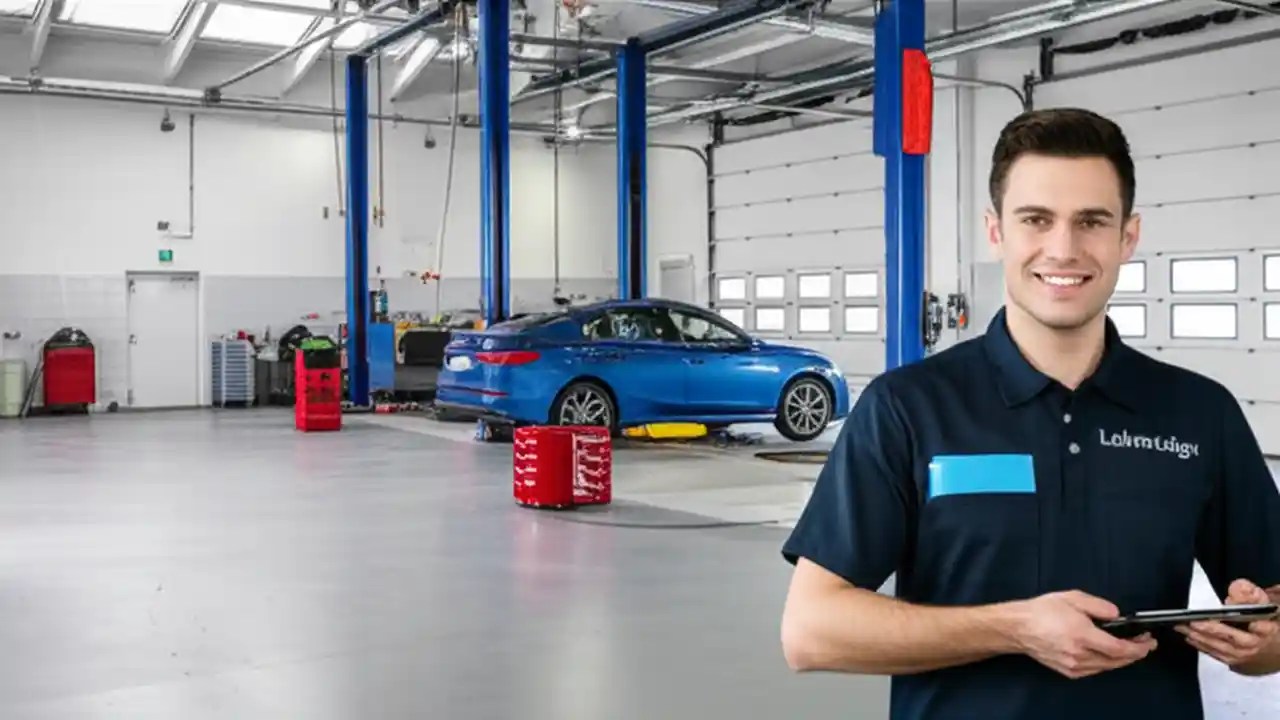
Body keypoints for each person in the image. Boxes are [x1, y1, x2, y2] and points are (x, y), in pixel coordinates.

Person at [778, 107, 1280, 720]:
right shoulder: (908, 407)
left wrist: (1262, 643)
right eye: (1036, 219)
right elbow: (811, 631)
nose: (1063, 249)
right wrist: (1014, 628)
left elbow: (1271, 622)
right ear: (997, 233)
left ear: (1128, 236)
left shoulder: (1200, 413)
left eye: (1091, 221)